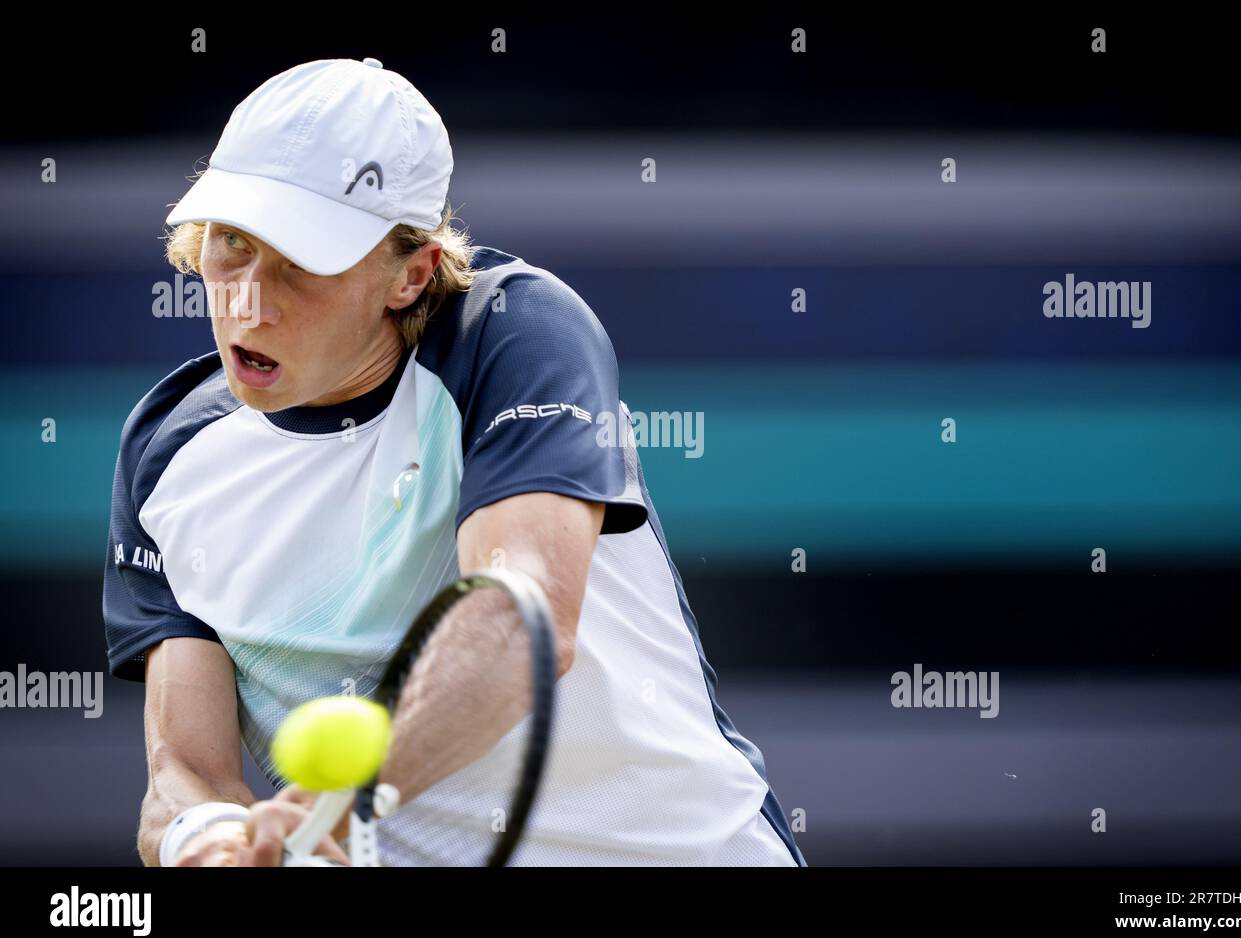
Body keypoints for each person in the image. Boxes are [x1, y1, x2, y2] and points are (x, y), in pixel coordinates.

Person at [103, 57, 804, 866]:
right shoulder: (166, 450)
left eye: (301, 260)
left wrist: (350, 799)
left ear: (413, 273)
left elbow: (519, 623)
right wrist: (209, 840)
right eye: (231, 244)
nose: (248, 300)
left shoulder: (512, 332)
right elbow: (184, 773)